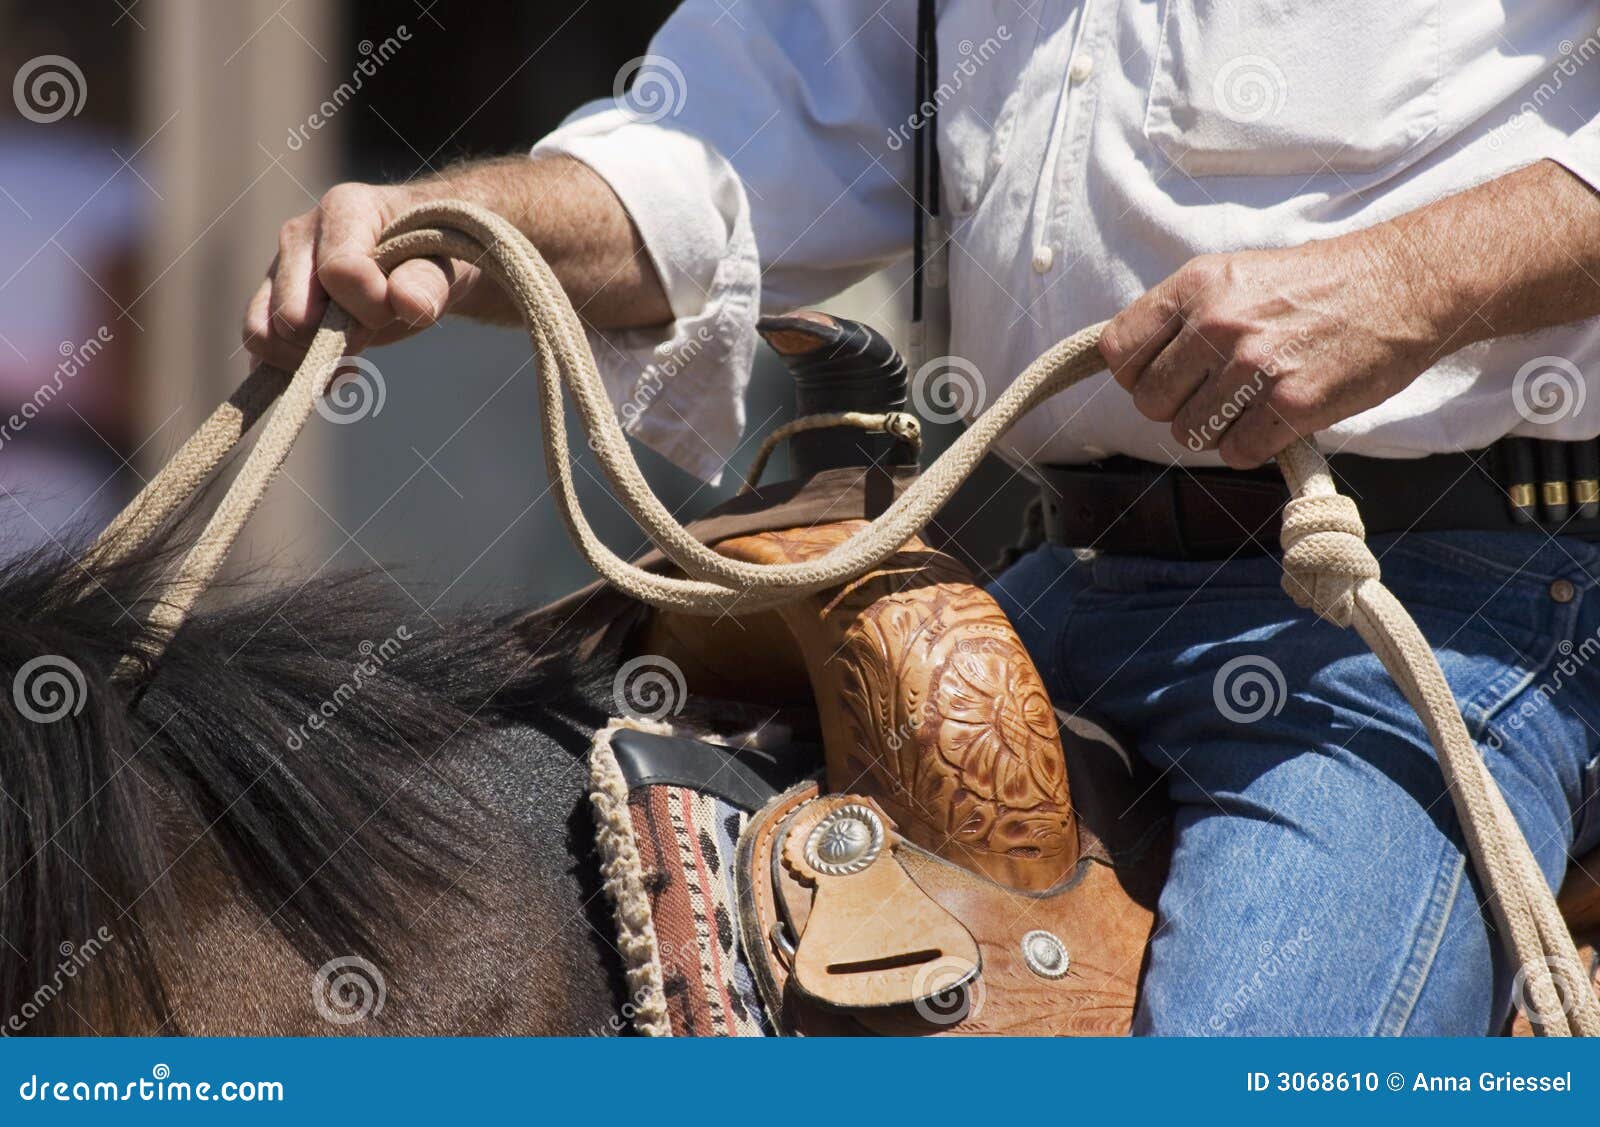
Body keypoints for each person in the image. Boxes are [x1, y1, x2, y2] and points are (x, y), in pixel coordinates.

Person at [243, 2, 1600, 1035]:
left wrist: (1409, 281)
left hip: (1431, 607)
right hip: (1058, 574)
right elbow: (715, 160)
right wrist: (452, 219)